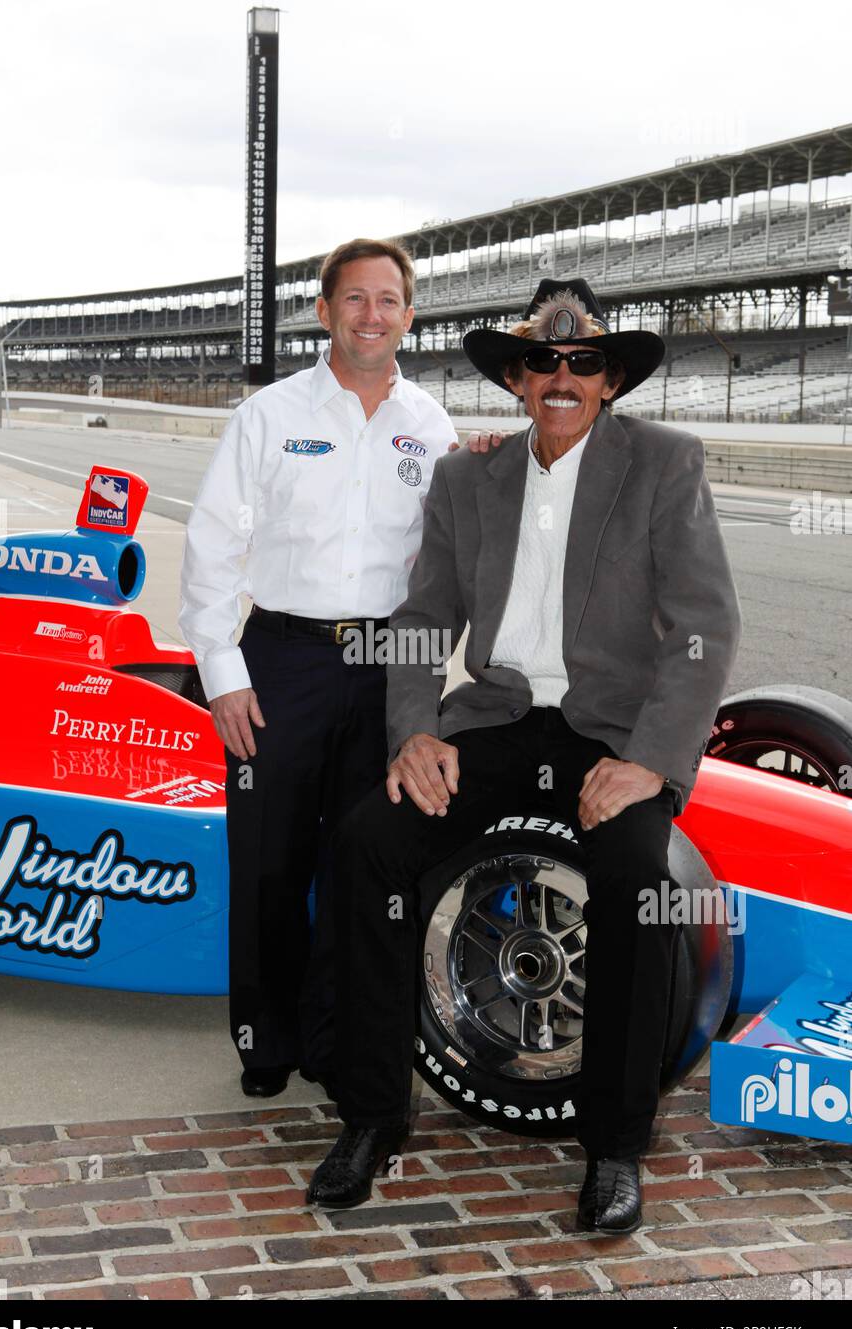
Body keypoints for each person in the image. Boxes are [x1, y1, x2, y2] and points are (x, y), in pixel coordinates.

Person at [307, 277, 742, 1232]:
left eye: (584, 361)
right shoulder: (469, 477)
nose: (562, 376)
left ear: (610, 381)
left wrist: (656, 762)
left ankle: (618, 1147)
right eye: (543, 360)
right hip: (498, 721)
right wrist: (414, 730)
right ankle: (375, 1116)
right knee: (370, 842)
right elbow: (422, 620)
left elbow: (705, 626)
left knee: (634, 877)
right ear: (516, 377)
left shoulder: (667, 464)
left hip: (612, 735)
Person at [178, 238, 497, 1102]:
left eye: (387, 300)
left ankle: (332, 1037)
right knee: (270, 861)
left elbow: (456, 542)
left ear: (409, 315)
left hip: (388, 663)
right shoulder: (270, 415)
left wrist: (493, 459)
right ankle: (264, 1041)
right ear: (324, 312)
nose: (371, 315)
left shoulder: (429, 426)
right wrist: (223, 672)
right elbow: (211, 546)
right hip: (280, 656)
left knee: (359, 862)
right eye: (354, 299)